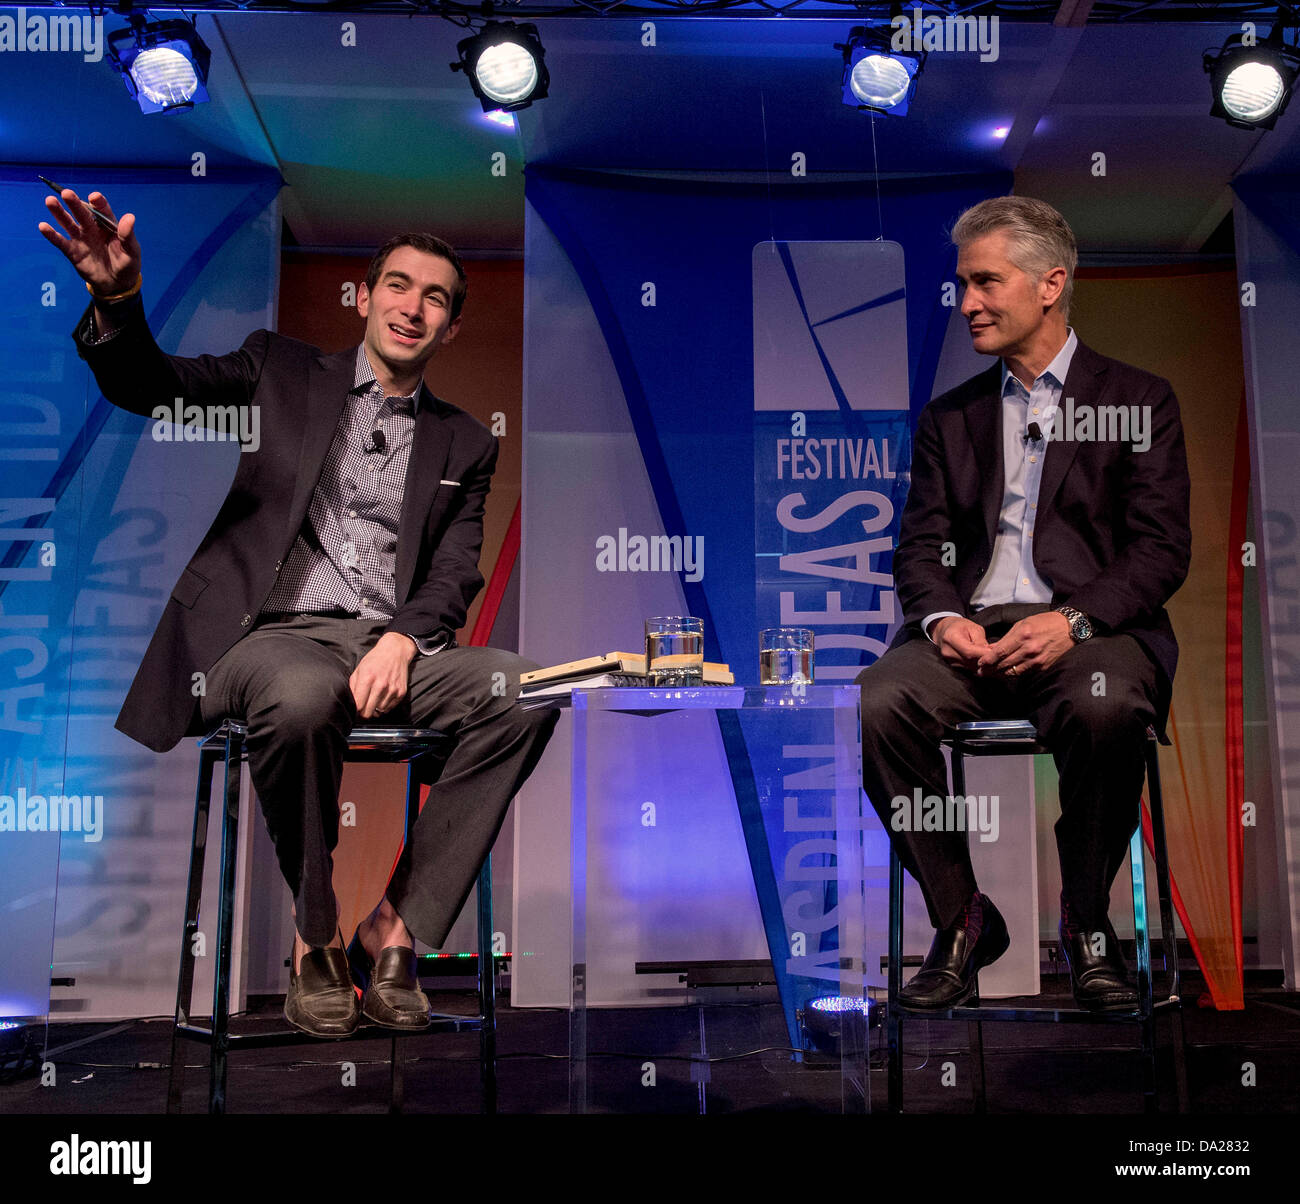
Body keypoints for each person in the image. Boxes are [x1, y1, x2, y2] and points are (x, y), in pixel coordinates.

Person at [41, 187, 559, 1037]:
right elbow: (153, 387)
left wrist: (401, 638)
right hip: (268, 636)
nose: (412, 305)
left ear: (451, 327)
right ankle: (315, 938)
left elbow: (453, 577)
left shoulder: (466, 440)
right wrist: (117, 300)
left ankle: (393, 932)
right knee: (303, 695)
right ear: (366, 298)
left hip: (391, 646)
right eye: (398, 284)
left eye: (435, 297)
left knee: (528, 687)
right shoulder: (275, 371)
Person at [856, 196, 1190, 1012]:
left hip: (1091, 631)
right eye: (963, 284)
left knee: (1105, 709)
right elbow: (919, 545)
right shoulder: (950, 418)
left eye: (984, 282)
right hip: (971, 636)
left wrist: (1072, 621)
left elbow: (1159, 550)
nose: (966, 302)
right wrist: (943, 619)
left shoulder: (1139, 400)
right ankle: (964, 920)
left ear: (1050, 284)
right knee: (877, 703)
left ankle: (1085, 924)